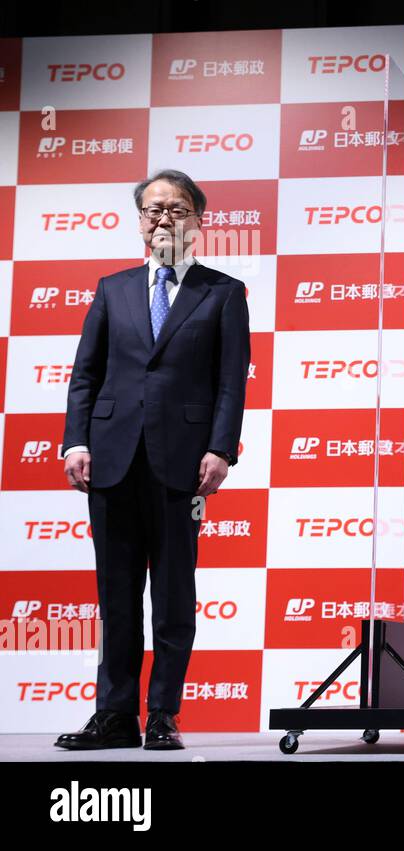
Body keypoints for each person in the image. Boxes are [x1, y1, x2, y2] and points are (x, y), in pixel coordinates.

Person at [55, 170, 250, 750]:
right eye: (155, 209)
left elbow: (230, 382)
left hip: (182, 462)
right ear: (140, 221)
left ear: (199, 221)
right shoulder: (111, 289)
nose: (165, 218)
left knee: (171, 597)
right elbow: (85, 374)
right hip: (111, 459)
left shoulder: (223, 292)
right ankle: (114, 715)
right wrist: (77, 441)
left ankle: (162, 713)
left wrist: (221, 448)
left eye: (178, 208)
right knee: (115, 597)